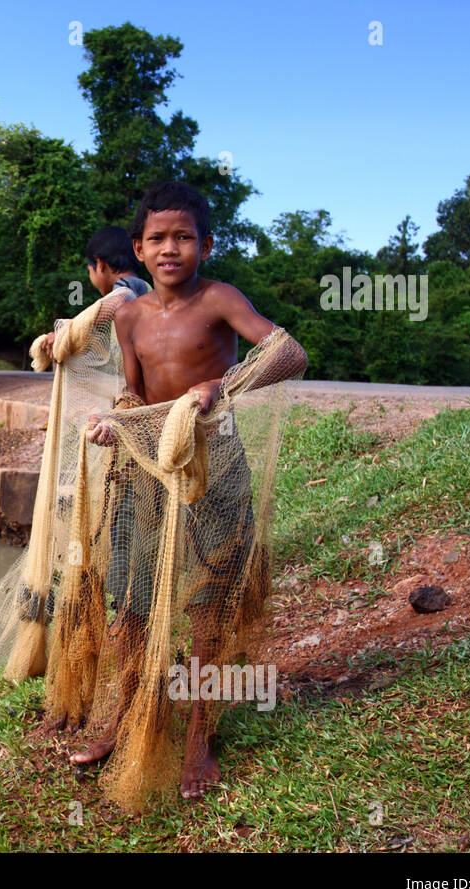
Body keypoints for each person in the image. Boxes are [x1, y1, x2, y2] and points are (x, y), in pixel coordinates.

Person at [64, 181, 308, 799]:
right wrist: (112, 424)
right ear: (139, 253)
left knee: (208, 601)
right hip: (145, 468)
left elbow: (287, 351)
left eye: (183, 237)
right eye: (156, 239)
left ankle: (199, 732)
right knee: (132, 599)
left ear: (205, 244)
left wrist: (218, 389)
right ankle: (126, 714)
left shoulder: (219, 299)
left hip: (214, 461)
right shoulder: (128, 316)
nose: (169, 248)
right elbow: (133, 394)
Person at [36, 226, 150, 359]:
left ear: (100, 264)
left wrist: (66, 332)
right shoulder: (145, 287)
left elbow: (119, 300)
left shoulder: (130, 285)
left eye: (89, 270)